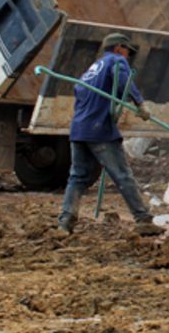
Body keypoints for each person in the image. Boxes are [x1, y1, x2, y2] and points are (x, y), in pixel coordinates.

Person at [57, 33, 163, 236]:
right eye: (127, 51)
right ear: (118, 48)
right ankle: (143, 219)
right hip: (99, 130)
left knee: (77, 177)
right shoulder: (115, 61)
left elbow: (79, 92)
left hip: (78, 130)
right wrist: (140, 103)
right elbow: (123, 79)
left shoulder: (91, 71)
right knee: (123, 175)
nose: (128, 56)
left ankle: (65, 222)